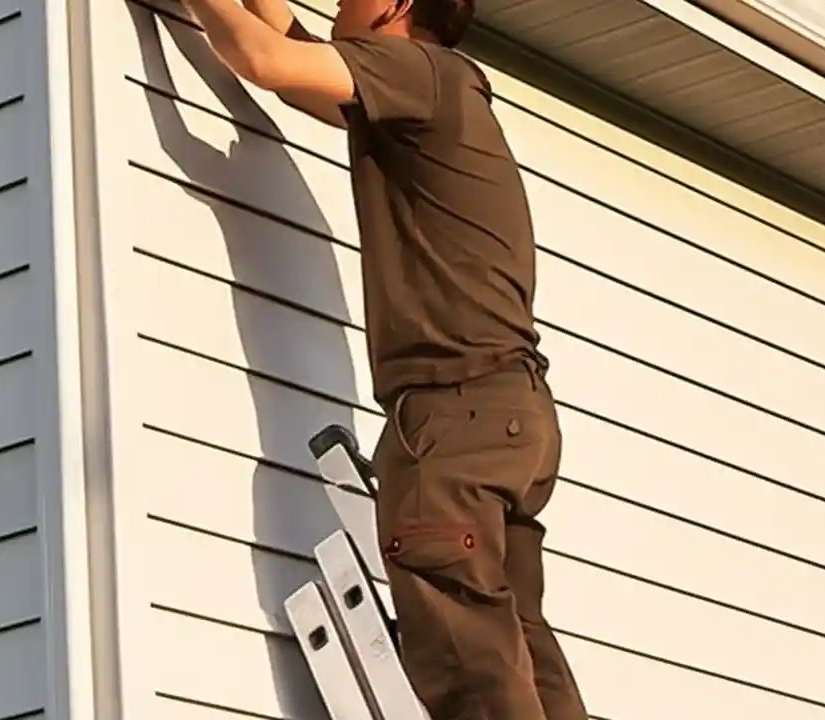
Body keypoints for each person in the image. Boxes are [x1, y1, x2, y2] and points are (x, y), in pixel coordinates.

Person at [172, 1, 590, 718]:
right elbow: (292, 58)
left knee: (472, 681)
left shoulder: (417, 72)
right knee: (517, 649)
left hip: (452, 419)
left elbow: (265, 60)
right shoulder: (429, 90)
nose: (337, 3)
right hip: (507, 419)